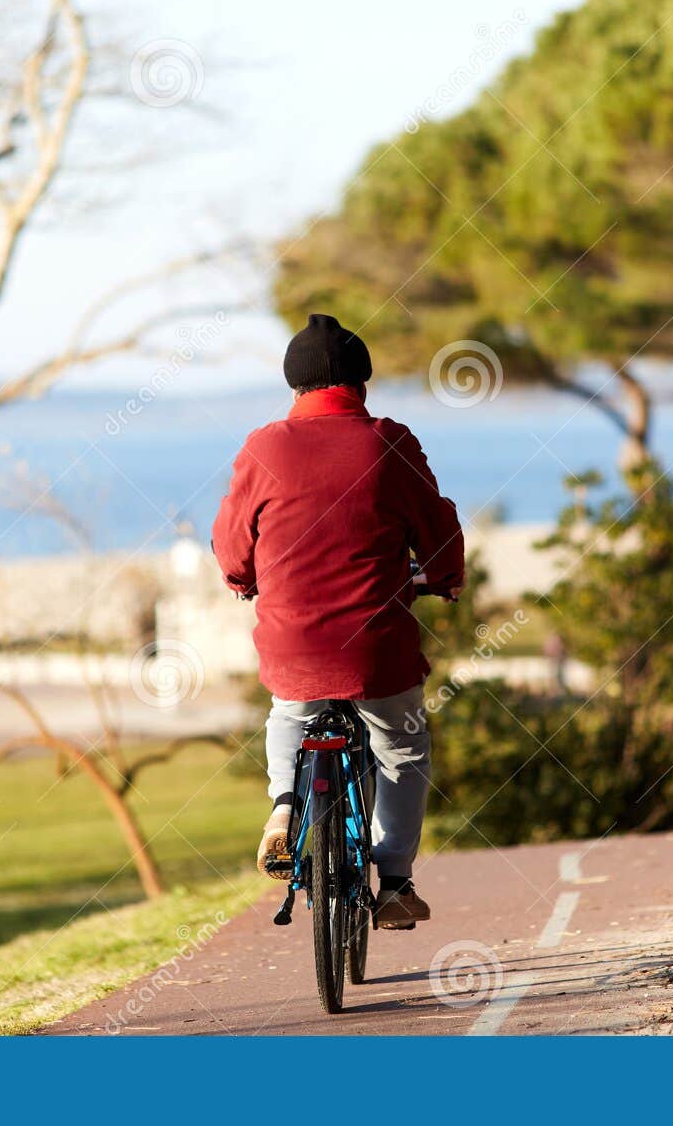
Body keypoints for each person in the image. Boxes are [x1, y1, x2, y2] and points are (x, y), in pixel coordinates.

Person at [211, 314, 464, 929]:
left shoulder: (264, 446)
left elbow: (231, 541)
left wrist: (243, 580)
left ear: (295, 387)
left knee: (289, 711)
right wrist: (444, 578)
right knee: (401, 745)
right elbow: (437, 528)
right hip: (375, 650)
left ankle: (283, 806)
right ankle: (396, 882)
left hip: (292, 644)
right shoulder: (388, 441)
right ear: (362, 384)